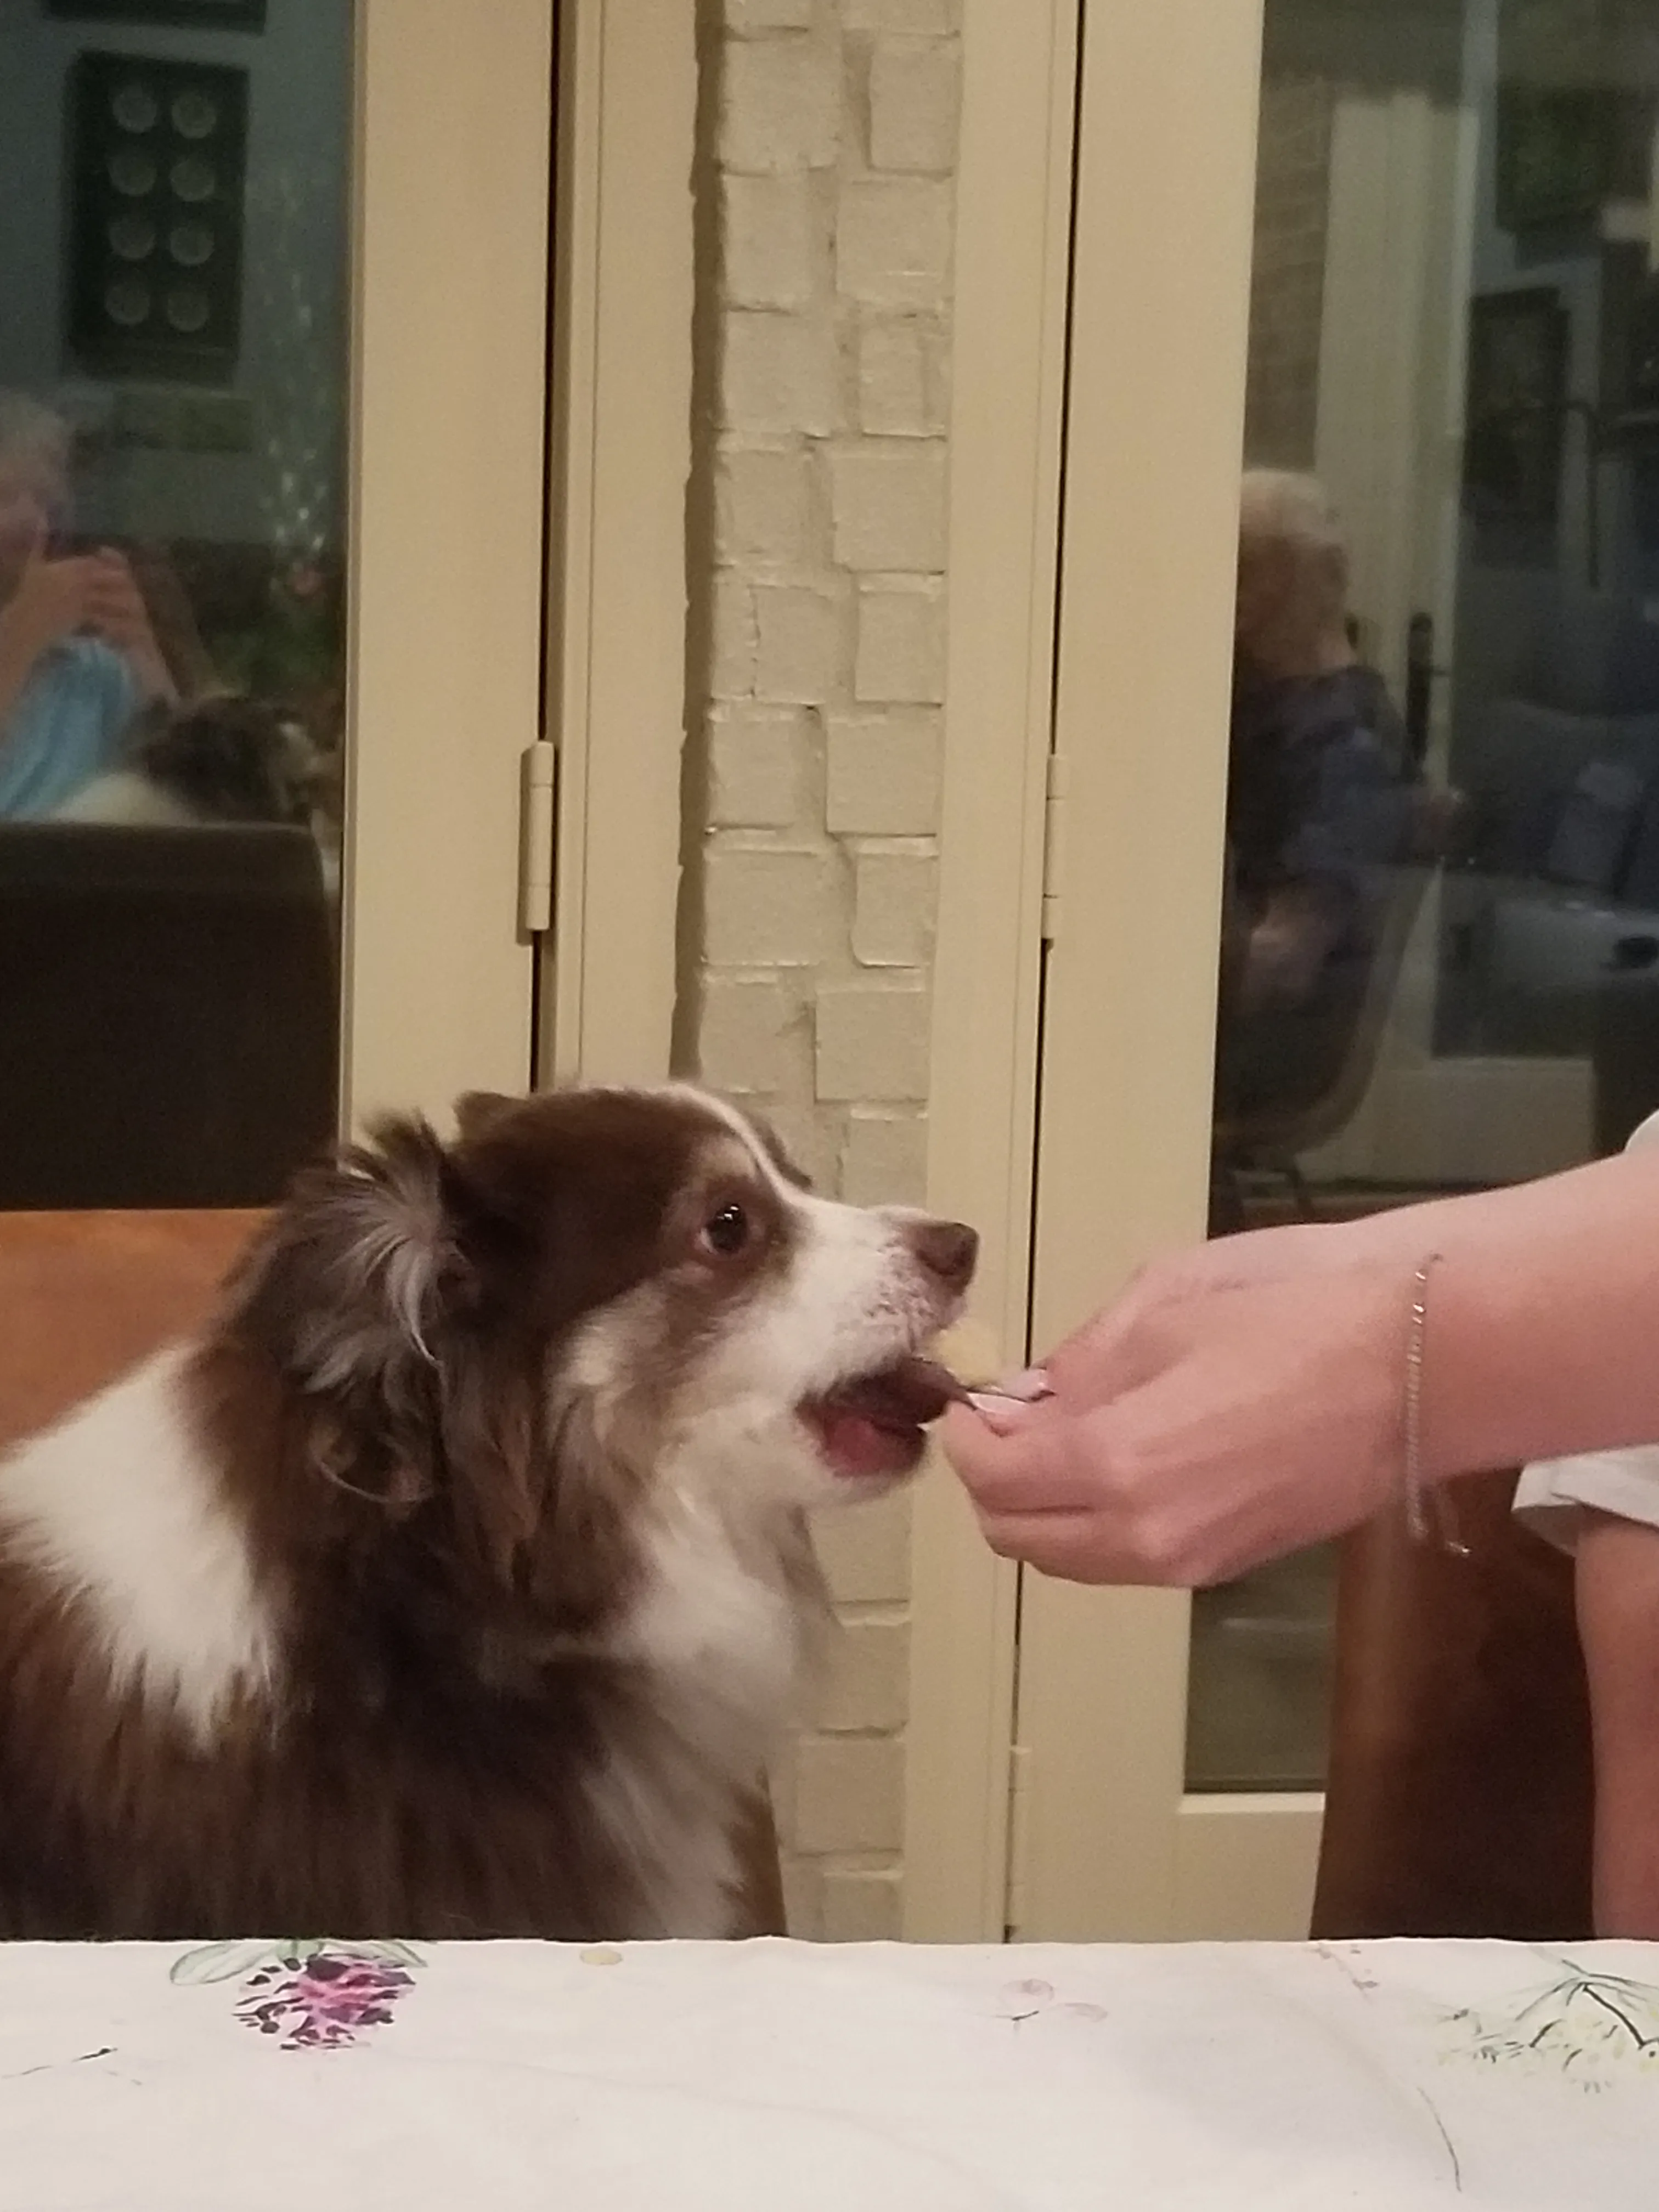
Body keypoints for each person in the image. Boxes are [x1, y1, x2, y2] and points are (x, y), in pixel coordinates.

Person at [1215, 471, 1425, 1138]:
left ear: (1267, 588)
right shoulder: (1272, 710)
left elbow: (1283, 966)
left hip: (1263, 1056)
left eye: (1231, 567)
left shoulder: (1344, 743)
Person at [0, 391, 174, 818]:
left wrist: (143, 654)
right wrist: (21, 635)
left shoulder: (94, 675)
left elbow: (188, 808)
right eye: (1, 496)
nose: (32, 522)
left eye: (48, 502)